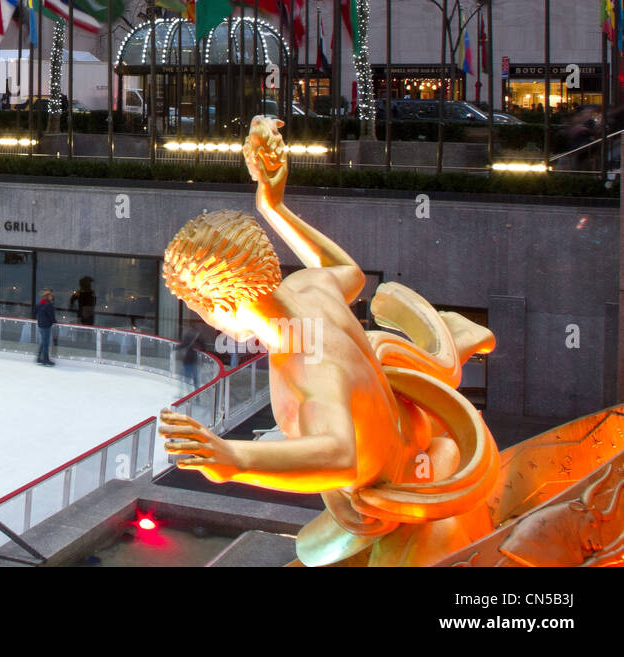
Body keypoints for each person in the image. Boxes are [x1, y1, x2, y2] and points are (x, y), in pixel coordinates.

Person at [158, 116, 502, 568]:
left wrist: (234, 458)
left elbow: (341, 453)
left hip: (399, 488)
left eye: (197, 307)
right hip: (402, 430)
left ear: (219, 305)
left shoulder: (308, 366)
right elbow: (350, 272)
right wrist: (273, 205)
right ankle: (449, 343)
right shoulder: (308, 289)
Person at [36, 288, 57, 366]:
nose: (52, 297)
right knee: (46, 343)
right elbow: (51, 315)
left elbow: (36, 312)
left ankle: (39, 358)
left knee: (43, 342)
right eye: (51, 295)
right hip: (46, 326)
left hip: (40, 325)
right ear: (48, 296)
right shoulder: (48, 305)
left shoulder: (40, 304)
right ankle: (45, 359)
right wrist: (54, 321)